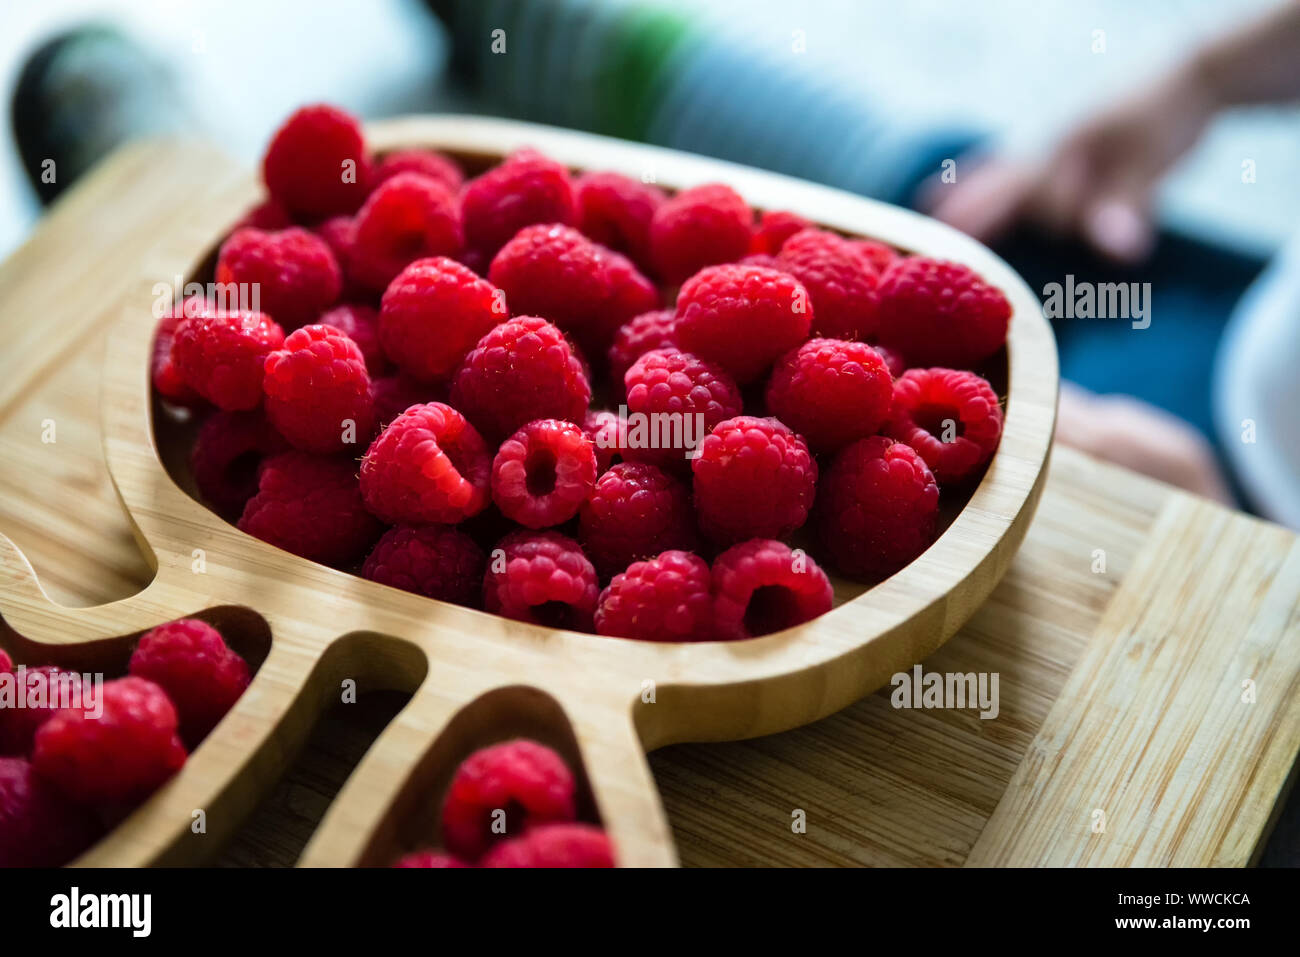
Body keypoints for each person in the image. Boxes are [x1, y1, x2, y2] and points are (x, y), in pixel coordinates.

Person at [930, 1, 1300, 521]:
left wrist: (1230, 548)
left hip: (1244, 497)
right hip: (1252, 316)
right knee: (951, 183)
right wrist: (1201, 80)